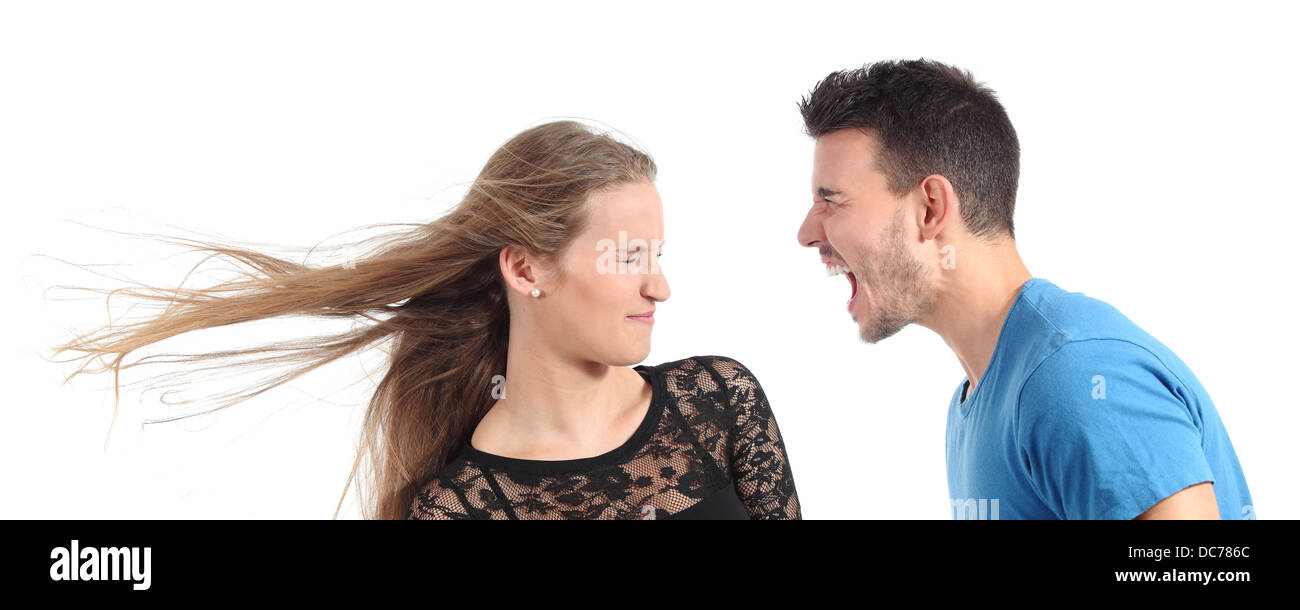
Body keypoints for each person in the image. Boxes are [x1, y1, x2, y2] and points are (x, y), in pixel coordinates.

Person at [49, 120, 800, 520]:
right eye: (628, 255)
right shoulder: (458, 508)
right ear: (527, 268)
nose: (659, 285)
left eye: (658, 254)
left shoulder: (718, 400)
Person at [794, 59, 1252, 520]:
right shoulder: (977, 402)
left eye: (829, 200)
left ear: (930, 208)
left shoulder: (1076, 375)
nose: (807, 233)